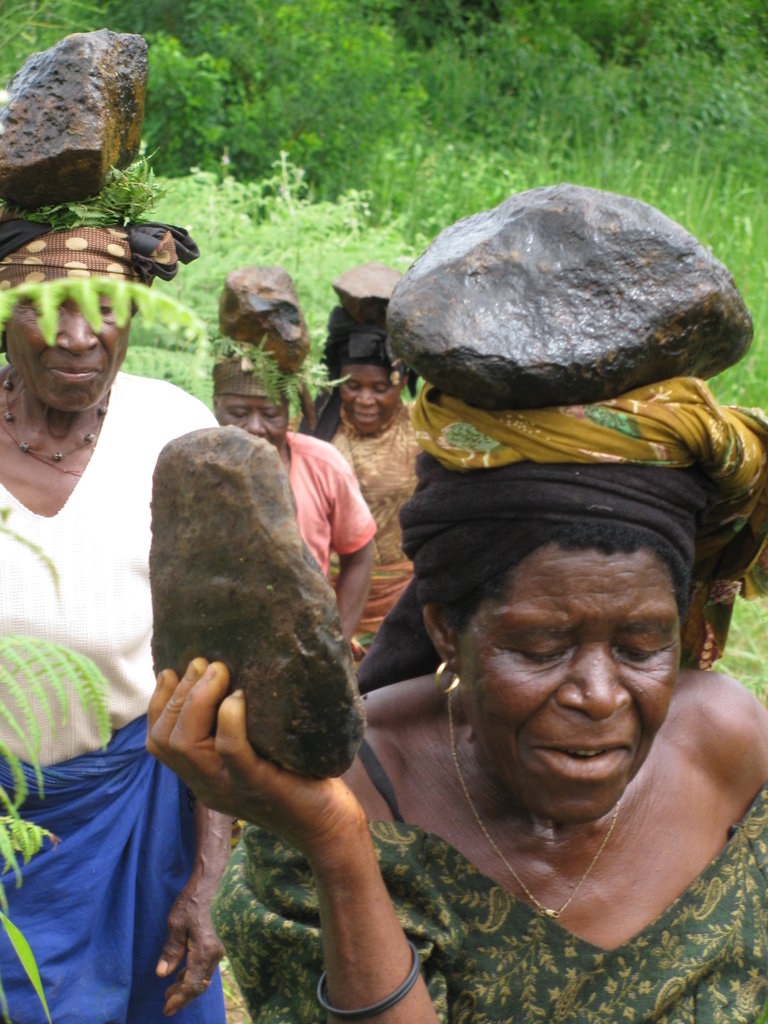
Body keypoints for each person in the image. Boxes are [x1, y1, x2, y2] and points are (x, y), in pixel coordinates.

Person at [147, 370, 768, 1020]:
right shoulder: (350, 795)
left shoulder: (726, 745)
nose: (598, 696)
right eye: (542, 648)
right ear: (447, 631)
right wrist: (335, 844)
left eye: (640, 648)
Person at [0, 211, 231, 1022]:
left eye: (104, 305)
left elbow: (219, 660)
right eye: (47, 307)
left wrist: (209, 872)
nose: (78, 337)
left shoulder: (172, 429)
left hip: (136, 822)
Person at [212, 267, 376, 643]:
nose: (255, 428)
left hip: (307, 639)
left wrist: (337, 639)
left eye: (270, 414)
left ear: (290, 414)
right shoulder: (197, 465)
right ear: (216, 407)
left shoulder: (322, 465)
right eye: (239, 413)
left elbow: (358, 553)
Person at [305, 290, 420, 655]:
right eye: (353, 386)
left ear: (401, 382)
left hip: (404, 602)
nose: (365, 399)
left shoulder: (423, 431)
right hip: (328, 600)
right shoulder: (313, 432)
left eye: (380, 388)